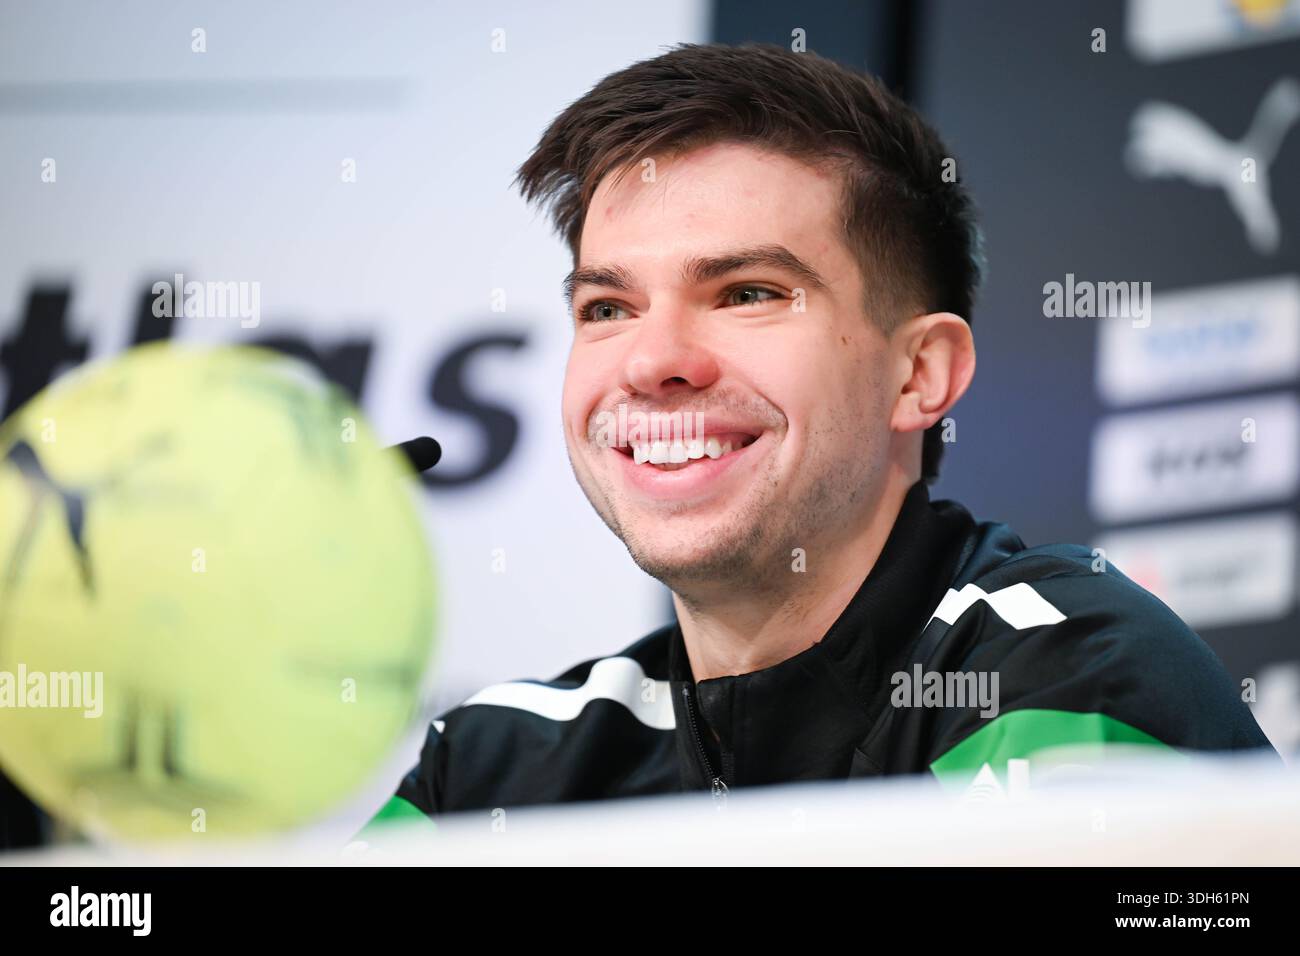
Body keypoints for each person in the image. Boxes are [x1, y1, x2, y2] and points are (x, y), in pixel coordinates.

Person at [368, 43, 1274, 825]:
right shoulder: (491, 768)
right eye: (607, 306)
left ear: (920, 374)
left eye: (749, 293)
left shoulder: (1064, 668)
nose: (652, 363)